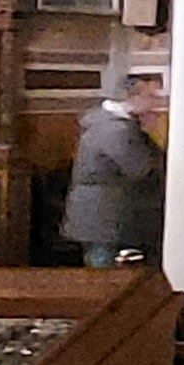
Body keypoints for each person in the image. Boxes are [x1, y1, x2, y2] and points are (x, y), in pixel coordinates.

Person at [60, 76, 164, 266]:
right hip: (105, 219)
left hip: (104, 217)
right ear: (134, 97)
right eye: (151, 97)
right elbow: (141, 168)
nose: (155, 104)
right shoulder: (114, 129)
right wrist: (153, 132)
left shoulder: (109, 123)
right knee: (105, 279)